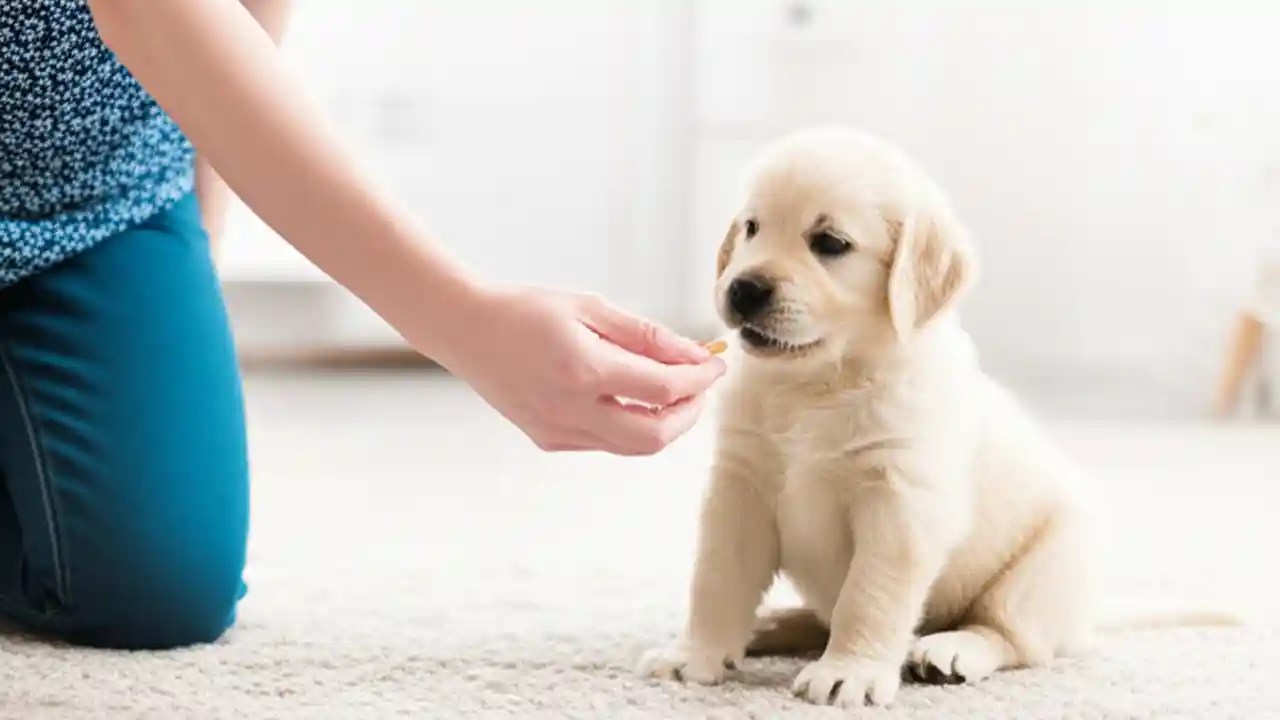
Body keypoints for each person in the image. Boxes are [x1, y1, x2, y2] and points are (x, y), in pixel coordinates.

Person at [0, 0, 725, 650]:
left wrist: (202, 258)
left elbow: (243, 19)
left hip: (109, 194)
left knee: (156, 588)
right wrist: (465, 324)